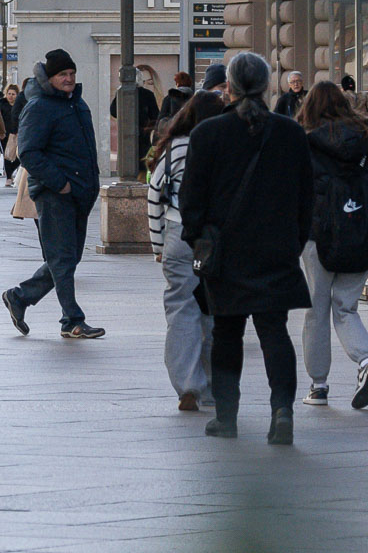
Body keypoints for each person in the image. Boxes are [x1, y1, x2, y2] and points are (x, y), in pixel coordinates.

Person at [179, 52, 314, 445]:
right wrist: (294, 241)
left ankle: (227, 416)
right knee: (275, 332)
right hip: (276, 248)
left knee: (226, 333)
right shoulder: (291, 134)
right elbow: (308, 197)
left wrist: (199, 241)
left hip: (226, 250)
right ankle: (282, 411)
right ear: (268, 86)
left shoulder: (208, 134)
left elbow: (191, 200)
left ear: (230, 88)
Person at [2, 48, 105, 340]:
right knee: (62, 257)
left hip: (80, 194)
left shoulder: (77, 104)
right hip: (54, 194)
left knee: (68, 258)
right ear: (50, 78)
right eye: (63, 75)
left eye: (72, 74)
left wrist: (89, 184)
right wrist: (60, 183)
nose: (69, 79)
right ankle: (71, 320)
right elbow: (29, 153)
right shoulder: (40, 106)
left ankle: (19, 297)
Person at [297, 80, 368, 410]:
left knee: (316, 310)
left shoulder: (304, 143)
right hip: (360, 232)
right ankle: (366, 362)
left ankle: (318, 386)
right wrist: (359, 219)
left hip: (317, 235)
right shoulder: (366, 143)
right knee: (347, 307)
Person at [146, 90, 225, 411]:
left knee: (181, 308)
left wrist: (158, 244)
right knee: (214, 312)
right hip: (216, 238)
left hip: (178, 234)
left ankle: (187, 384)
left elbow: (154, 194)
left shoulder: (175, 148)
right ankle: (211, 385)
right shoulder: (225, 146)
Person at [108, 66, 160, 179]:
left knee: (126, 164)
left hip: (125, 136)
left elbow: (113, 111)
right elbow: (156, 117)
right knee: (142, 166)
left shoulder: (121, 93)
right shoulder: (148, 95)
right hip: (143, 137)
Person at [0, 83, 23, 182]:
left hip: (18, 132)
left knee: (19, 155)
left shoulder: (20, 105)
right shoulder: (2, 104)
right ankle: (9, 177)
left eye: (13, 94)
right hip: (5, 133)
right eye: (9, 93)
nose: (10, 96)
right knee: (7, 155)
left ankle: (12, 170)